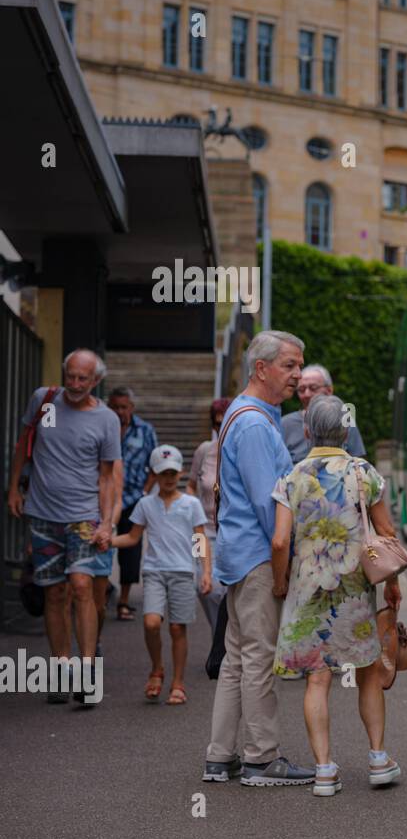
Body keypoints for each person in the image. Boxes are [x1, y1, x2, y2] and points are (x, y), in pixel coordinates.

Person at [270, 394, 402, 797]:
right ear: (347, 431)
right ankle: (378, 759)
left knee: (317, 680)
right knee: (366, 676)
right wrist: (393, 585)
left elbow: (279, 541)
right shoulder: (365, 474)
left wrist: (280, 583)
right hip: (355, 592)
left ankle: (325, 770)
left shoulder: (292, 477)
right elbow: (386, 535)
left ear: (307, 430)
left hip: (309, 591)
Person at [203, 330, 315, 787]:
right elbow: (268, 505)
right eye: (289, 366)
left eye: (299, 365)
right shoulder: (254, 424)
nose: (298, 375)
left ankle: (220, 757)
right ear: (261, 368)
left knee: (236, 657)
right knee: (259, 659)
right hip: (257, 559)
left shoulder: (244, 415)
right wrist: (285, 567)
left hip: (238, 554)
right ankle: (261, 759)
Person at [5, 349, 121, 705]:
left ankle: (86, 672)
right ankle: (59, 669)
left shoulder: (106, 419)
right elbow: (24, 445)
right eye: (70, 376)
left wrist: (106, 522)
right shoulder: (46, 401)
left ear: (96, 381)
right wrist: (13, 488)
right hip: (42, 514)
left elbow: (107, 477)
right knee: (53, 593)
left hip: (83, 516)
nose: (74, 384)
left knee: (83, 586)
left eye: (82, 379)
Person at [112, 445, 210, 704]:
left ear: (180, 473)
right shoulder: (145, 504)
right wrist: (108, 541)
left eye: (172, 472)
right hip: (154, 571)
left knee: (178, 628)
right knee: (151, 623)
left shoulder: (191, 504)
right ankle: (157, 667)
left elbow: (199, 537)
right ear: (154, 475)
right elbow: (133, 537)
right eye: (162, 473)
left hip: (183, 571)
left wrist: (205, 570)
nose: (168, 477)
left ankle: (178, 682)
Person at [107, 387, 157, 621]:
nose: (119, 412)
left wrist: (144, 492)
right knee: (102, 540)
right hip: (104, 498)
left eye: (123, 407)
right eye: (114, 407)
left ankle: (124, 601)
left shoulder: (145, 430)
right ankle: (102, 586)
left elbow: (155, 464)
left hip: (132, 499)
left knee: (130, 549)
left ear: (131, 408)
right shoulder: (104, 426)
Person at [188, 398, 230, 630]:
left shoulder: (242, 451)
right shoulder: (204, 450)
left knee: (228, 590)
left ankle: (223, 646)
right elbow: (190, 484)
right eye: (216, 424)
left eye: (225, 424)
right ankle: (219, 639)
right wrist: (191, 510)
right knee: (203, 586)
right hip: (203, 530)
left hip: (232, 530)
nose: (220, 429)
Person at [280, 364, 365, 464]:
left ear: (329, 390)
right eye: (301, 389)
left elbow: (358, 461)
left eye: (313, 388)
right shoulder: (285, 424)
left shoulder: (345, 419)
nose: (307, 394)